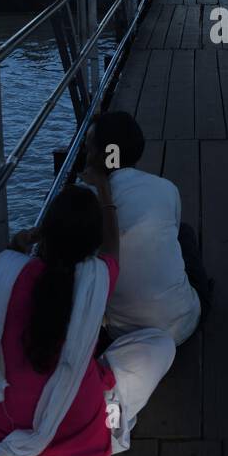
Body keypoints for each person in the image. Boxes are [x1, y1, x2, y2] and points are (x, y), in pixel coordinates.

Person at [0, 177, 175, 456]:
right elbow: (112, 245)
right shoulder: (98, 278)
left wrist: (18, 244)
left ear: (43, 235)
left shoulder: (9, 272)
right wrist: (105, 193)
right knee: (161, 344)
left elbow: (10, 260)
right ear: (93, 244)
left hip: (5, 423)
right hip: (76, 433)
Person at [85, 110, 211, 345]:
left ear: (106, 154)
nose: (86, 155)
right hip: (183, 325)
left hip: (124, 337)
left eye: (89, 148)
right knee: (184, 233)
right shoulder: (166, 187)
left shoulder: (85, 203)